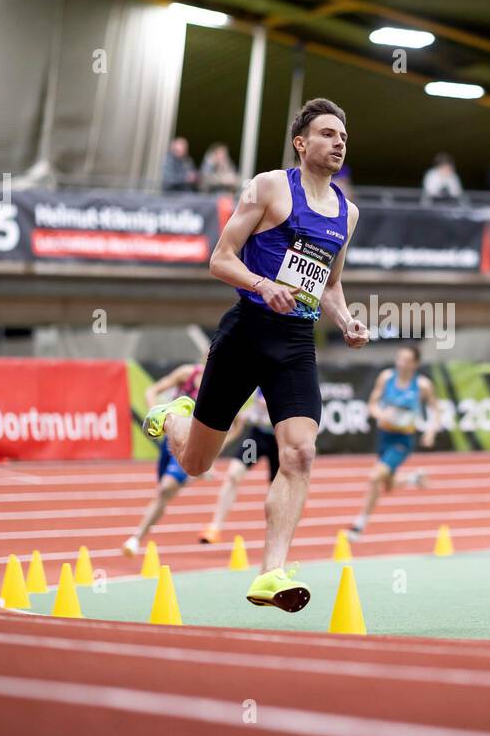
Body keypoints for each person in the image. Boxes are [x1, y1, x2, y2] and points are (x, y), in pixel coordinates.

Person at [142, 98, 369, 613]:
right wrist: (263, 285)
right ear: (301, 142)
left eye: (344, 138)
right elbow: (220, 259)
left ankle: (270, 571)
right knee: (197, 464)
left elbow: (330, 284)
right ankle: (179, 418)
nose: (339, 144)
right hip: (246, 333)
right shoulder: (268, 187)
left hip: (294, 343)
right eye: (329, 134)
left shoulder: (347, 213)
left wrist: (346, 320)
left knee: (301, 453)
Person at [348, 345, 440, 537]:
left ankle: (360, 524)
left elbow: (435, 409)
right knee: (387, 485)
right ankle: (414, 478)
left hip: (403, 439)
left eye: (406, 360)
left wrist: (430, 432)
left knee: (374, 477)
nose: (401, 364)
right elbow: (372, 403)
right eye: (399, 358)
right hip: (384, 436)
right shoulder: (386, 378)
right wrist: (381, 414)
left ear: (415, 363)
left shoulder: (422, 385)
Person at [122, 361, 207, 557]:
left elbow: (233, 425)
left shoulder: (222, 387)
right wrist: (157, 415)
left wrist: (211, 450)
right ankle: (196, 473)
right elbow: (151, 391)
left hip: (190, 445)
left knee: (165, 489)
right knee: (162, 495)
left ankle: (136, 538)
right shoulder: (187, 374)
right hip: (168, 444)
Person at [197, 389, 280, 544]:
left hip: (281, 440)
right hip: (259, 437)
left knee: (277, 487)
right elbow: (258, 405)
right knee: (233, 474)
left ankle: (277, 533)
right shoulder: (262, 376)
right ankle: (215, 527)